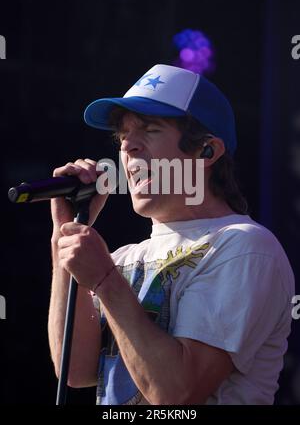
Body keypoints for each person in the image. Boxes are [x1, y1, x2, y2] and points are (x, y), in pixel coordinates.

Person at [48, 64, 295, 405]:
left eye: (149, 130)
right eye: (122, 136)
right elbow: (75, 370)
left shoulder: (244, 247)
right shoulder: (124, 258)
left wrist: (105, 280)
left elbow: (176, 394)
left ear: (207, 151)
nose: (128, 147)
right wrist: (64, 238)